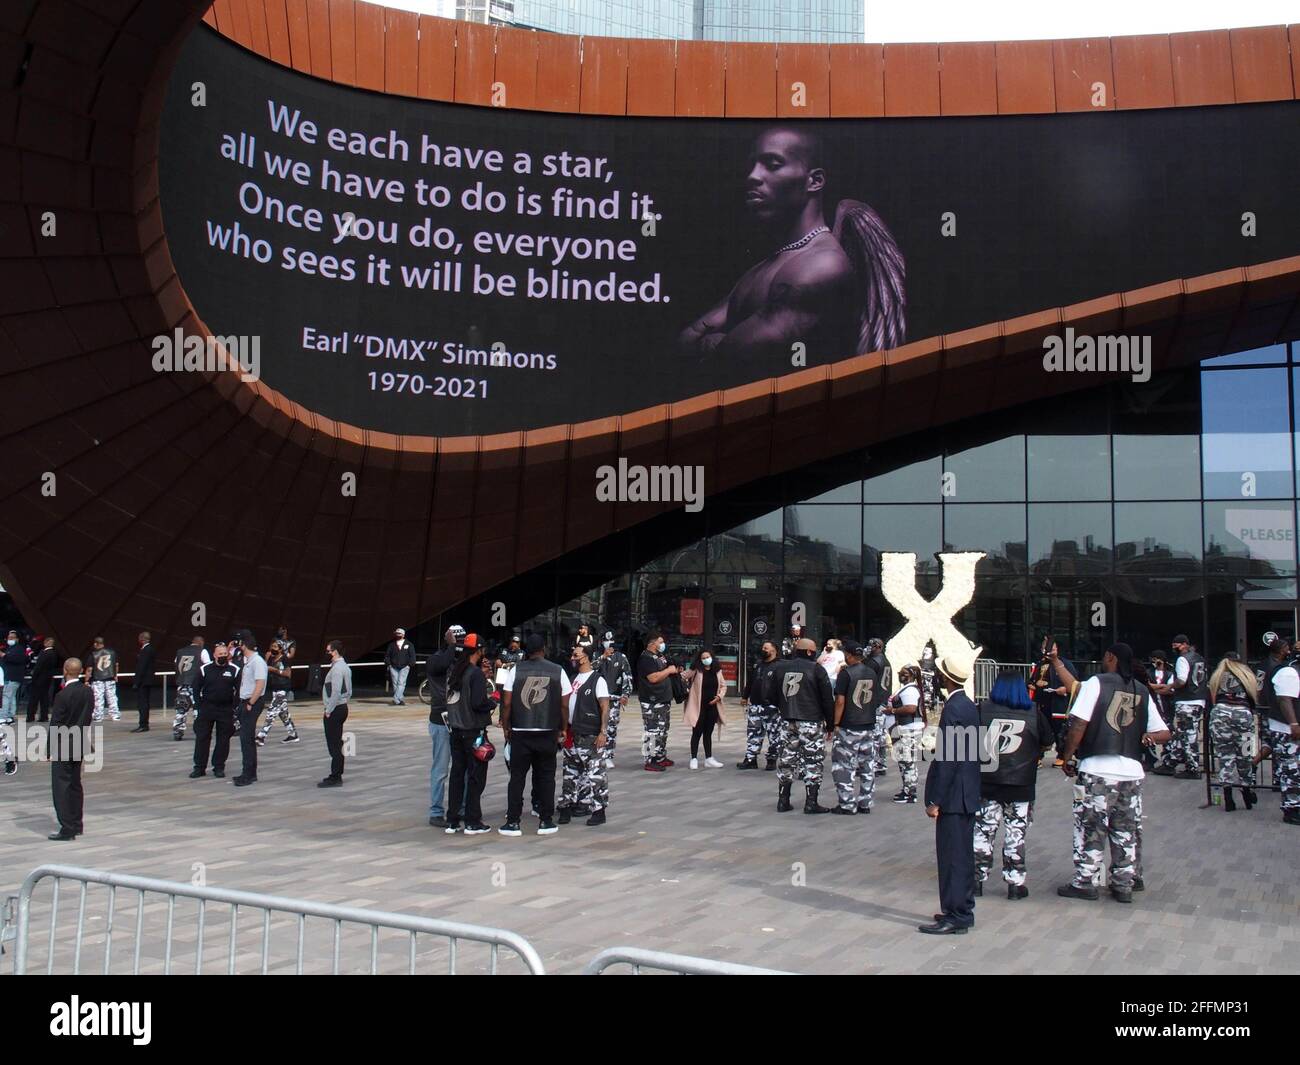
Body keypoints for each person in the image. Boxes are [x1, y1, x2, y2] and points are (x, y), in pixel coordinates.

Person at [677, 127, 905, 363]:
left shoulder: (823, 264)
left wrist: (714, 345)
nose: (752, 176)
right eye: (752, 165)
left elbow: (730, 361)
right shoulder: (766, 266)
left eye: (772, 165)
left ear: (814, 181)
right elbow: (685, 342)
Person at [1056, 643, 1170, 903]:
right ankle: (1123, 884)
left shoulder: (1097, 683)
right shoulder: (1141, 690)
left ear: (1111, 657)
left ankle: (1086, 881)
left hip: (1097, 768)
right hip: (1131, 771)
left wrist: (1067, 755)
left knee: (1091, 827)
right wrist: (1147, 738)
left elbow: (1079, 723)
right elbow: (1164, 732)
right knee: (1125, 830)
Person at [974, 672, 1054, 899]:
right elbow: (1048, 742)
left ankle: (976, 880)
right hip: (1021, 784)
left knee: (982, 832)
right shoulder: (1034, 714)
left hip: (987, 782)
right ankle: (1015, 884)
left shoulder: (982, 710)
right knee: (1016, 833)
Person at [918, 656, 981, 935]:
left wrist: (936, 800)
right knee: (962, 854)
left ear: (945, 679)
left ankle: (956, 913)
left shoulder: (953, 708)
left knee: (952, 856)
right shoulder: (967, 705)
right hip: (967, 791)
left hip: (954, 795)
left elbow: (948, 758)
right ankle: (961, 906)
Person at [499, 633, 570, 836]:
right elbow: (564, 704)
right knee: (546, 776)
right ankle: (546, 821)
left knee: (517, 777)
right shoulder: (558, 671)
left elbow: (506, 702)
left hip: (521, 731)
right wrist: (562, 727)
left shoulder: (516, 670)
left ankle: (513, 822)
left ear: (525, 650)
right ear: (544, 648)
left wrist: (506, 726)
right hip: (547, 731)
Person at [775, 637, 834, 814]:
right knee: (813, 761)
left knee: (786, 759)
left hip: (787, 720)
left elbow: (769, 693)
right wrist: (830, 724)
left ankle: (783, 801)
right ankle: (811, 802)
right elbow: (827, 699)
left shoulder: (781, 667)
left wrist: (782, 707)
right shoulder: (817, 669)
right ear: (809, 652)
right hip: (811, 721)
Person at [560, 642, 611, 826]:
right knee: (570, 772)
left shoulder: (598, 680)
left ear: (586, 657)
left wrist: (603, 732)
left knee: (595, 773)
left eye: (576, 655)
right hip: (572, 733)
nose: (572, 658)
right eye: (572, 655)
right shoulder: (573, 678)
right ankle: (570, 804)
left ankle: (598, 810)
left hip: (589, 734)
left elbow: (605, 707)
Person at [830, 643, 883, 815]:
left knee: (844, 766)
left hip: (849, 724)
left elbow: (840, 701)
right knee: (867, 765)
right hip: (868, 724)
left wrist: (835, 723)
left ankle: (847, 804)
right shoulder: (871, 672)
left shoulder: (846, 673)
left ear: (849, 655)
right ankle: (865, 802)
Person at [48, 656, 94, 840]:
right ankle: (76, 823)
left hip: (64, 744)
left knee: (61, 787)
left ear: (65, 671)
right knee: (75, 784)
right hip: (80, 741)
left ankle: (67, 828)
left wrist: (50, 748)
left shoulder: (62, 695)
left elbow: (56, 724)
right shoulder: (87, 692)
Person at [1207, 654, 1260, 812]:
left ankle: (1228, 797)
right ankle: (1247, 790)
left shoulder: (1217, 676)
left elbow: (1213, 698)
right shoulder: (1246, 675)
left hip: (1220, 714)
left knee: (1224, 756)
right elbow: (1253, 699)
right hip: (1243, 714)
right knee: (1246, 753)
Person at [1257, 634, 1300, 825]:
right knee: (1291, 770)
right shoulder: (1288, 671)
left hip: (1286, 725)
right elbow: (1285, 699)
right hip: (1285, 727)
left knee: (1292, 768)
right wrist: (1294, 724)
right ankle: (1292, 809)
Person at [1153, 634, 1207, 779]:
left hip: (1186, 700)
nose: (1174, 648)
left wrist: (1171, 686)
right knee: (1183, 733)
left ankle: (1193, 768)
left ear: (1184, 644)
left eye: (1177, 645)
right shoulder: (1199, 658)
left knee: (1188, 734)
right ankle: (1171, 761)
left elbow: (1182, 680)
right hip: (1198, 699)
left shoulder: (1182, 659)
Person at [425, 624, 462, 829]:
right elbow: (441, 665)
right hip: (441, 719)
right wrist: (451, 646)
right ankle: (436, 810)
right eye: (457, 641)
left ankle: (461, 807)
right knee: (440, 769)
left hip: (460, 720)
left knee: (463, 768)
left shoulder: (460, 661)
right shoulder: (437, 659)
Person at [191, 641, 240, 778]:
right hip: (207, 708)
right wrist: (199, 705)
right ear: (214, 655)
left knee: (223, 739)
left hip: (225, 709)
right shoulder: (204, 669)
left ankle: (219, 767)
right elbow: (196, 688)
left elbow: (239, 691)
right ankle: (199, 767)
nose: (223, 656)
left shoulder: (234, 670)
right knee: (202, 737)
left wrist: (234, 706)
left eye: (225, 653)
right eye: (220, 654)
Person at [636, 629, 678, 771]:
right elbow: (653, 677)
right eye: (660, 642)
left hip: (663, 699)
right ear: (652, 643)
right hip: (651, 701)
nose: (663, 644)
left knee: (663, 729)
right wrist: (669, 671)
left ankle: (660, 756)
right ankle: (650, 760)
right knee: (652, 731)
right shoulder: (646, 658)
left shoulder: (659, 656)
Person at [738, 640, 783, 771]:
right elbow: (751, 682)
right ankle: (751, 759)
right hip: (755, 705)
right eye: (763, 647)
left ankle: (772, 759)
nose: (763, 650)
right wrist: (745, 697)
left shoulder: (780, 666)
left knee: (774, 735)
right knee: (753, 733)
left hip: (772, 706)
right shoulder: (758, 664)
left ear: (774, 650)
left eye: (766, 648)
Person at [232, 630, 267, 787]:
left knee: (246, 739)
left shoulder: (257, 661)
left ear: (244, 645)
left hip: (252, 702)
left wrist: (250, 703)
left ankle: (248, 774)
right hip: (246, 701)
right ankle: (249, 772)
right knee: (246, 740)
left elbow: (260, 684)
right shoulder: (249, 661)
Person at [683, 647, 727, 770]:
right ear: (699, 659)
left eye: (707, 657)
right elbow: (683, 676)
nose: (706, 660)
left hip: (712, 706)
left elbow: (723, 686)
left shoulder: (717, 670)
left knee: (708, 733)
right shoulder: (696, 670)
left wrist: (719, 697)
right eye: (703, 658)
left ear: (712, 657)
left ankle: (709, 758)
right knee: (696, 732)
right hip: (698, 706)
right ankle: (694, 758)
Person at [889, 665, 927, 804]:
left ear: (911, 676)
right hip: (907, 727)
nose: (901, 675)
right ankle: (907, 788)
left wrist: (892, 711)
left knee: (908, 760)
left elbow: (911, 708)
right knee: (905, 760)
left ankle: (910, 793)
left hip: (909, 728)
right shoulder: (907, 688)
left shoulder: (910, 690)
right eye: (900, 672)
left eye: (904, 673)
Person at [595, 632, 632, 770]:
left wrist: (626, 694)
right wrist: (602, 657)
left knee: (611, 729)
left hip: (614, 699)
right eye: (606, 641)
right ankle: (598, 754)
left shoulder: (621, 657)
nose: (608, 644)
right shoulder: (595, 656)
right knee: (596, 727)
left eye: (611, 642)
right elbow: (589, 669)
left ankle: (608, 755)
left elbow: (627, 676)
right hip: (597, 698)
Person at [1031, 636, 1075, 752]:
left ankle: (1061, 755)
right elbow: (1032, 681)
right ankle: (1039, 755)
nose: (1049, 650)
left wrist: (1065, 689)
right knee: (1040, 729)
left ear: (1057, 649)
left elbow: (1075, 683)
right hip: (1042, 702)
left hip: (1059, 703)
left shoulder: (1065, 664)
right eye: (1046, 647)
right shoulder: (1040, 664)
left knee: (1059, 730)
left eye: (1052, 647)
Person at [318, 640, 352, 788]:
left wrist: (328, 710)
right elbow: (348, 690)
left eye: (329, 651)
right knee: (337, 742)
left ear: (335, 652)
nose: (327, 654)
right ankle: (337, 773)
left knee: (334, 744)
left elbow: (337, 691)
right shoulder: (345, 667)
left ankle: (336, 775)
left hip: (336, 708)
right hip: (342, 706)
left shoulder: (338, 669)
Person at [256, 640, 300, 746]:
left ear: (280, 649)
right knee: (283, 713)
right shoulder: (271, 658)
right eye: (272, 646)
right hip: (274, 689)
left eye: (275, 646)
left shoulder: (284, 659)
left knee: (271, 712)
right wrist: (266, 659)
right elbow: (264, 668)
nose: (273, 648)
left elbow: (288, 674)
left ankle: (261, 736)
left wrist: (275, 670)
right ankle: (293, 734)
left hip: (282, 689)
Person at [171, 635, 206, 740]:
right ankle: (200, 730)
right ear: (201, 643)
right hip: (196, 684)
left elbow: (176, 664)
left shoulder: (180, 651)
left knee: (181, 708)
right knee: (198, 708)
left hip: (182, 683)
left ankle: (178, 731)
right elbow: (207, 667)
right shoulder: (202, 651)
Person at [866, 637, 892, 776]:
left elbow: (866, 678)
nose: (869, 649)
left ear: (877, 647)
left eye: (871, 646)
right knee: (881, 735)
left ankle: (875, 765)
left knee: (876, 735)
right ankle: (881, 763)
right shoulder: (885, 660)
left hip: (876, 701)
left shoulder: (874, 662)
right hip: (884, 699)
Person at [87, 636, 120, 723]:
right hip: (110, 678)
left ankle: (98, 716)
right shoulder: (112, 653)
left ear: (95, 644)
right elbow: (116, 665)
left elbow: (89, 669)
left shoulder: (93, 654)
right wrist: (115, 675)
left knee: (98, 698)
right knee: (112, 697)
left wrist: (86, 680)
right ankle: (115, 715)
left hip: (98, 679)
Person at [27, 636, 58, 724]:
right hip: (47, 679)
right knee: (44, 698)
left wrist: (33, 676)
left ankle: (30, 716)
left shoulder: (45, 653)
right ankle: (44, 716)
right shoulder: (54, 653)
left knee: (34, 698)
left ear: (46, 643)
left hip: (39, 679)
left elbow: (38, 666)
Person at [130, 631, 156, 733]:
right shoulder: (150, 649)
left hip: (144, 681)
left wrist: (136, 682)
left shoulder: (146, 650)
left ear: (142, 639)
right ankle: (144, 723)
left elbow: (141, 667)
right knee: (144, 703)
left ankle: (143, 724)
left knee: (142, 703)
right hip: (147, 680)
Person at [385, 627, 416, 706]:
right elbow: (387, 655)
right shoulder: (391, 645)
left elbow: (412, 655)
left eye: (399, 634)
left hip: (405, 666)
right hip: (393, 666)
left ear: (403, 635)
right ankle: (400, 699)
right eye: (396, 634)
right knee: (395, 683)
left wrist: (410, 664)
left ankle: (395, 699)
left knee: (401, 683)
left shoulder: (409, 644)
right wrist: (389, 664)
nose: (397, 635)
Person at [1, 630, 24, 723]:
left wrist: (3, 655)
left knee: (5, 697)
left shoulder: (18, 649)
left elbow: (15, 659)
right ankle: (10, 716)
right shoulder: (10, 648)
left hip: (12, 677)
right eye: (9, 638)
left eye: (12, 638)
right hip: (11, 677)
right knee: (11, 697)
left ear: (17, 639)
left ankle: (3, 717)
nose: (9, 639)